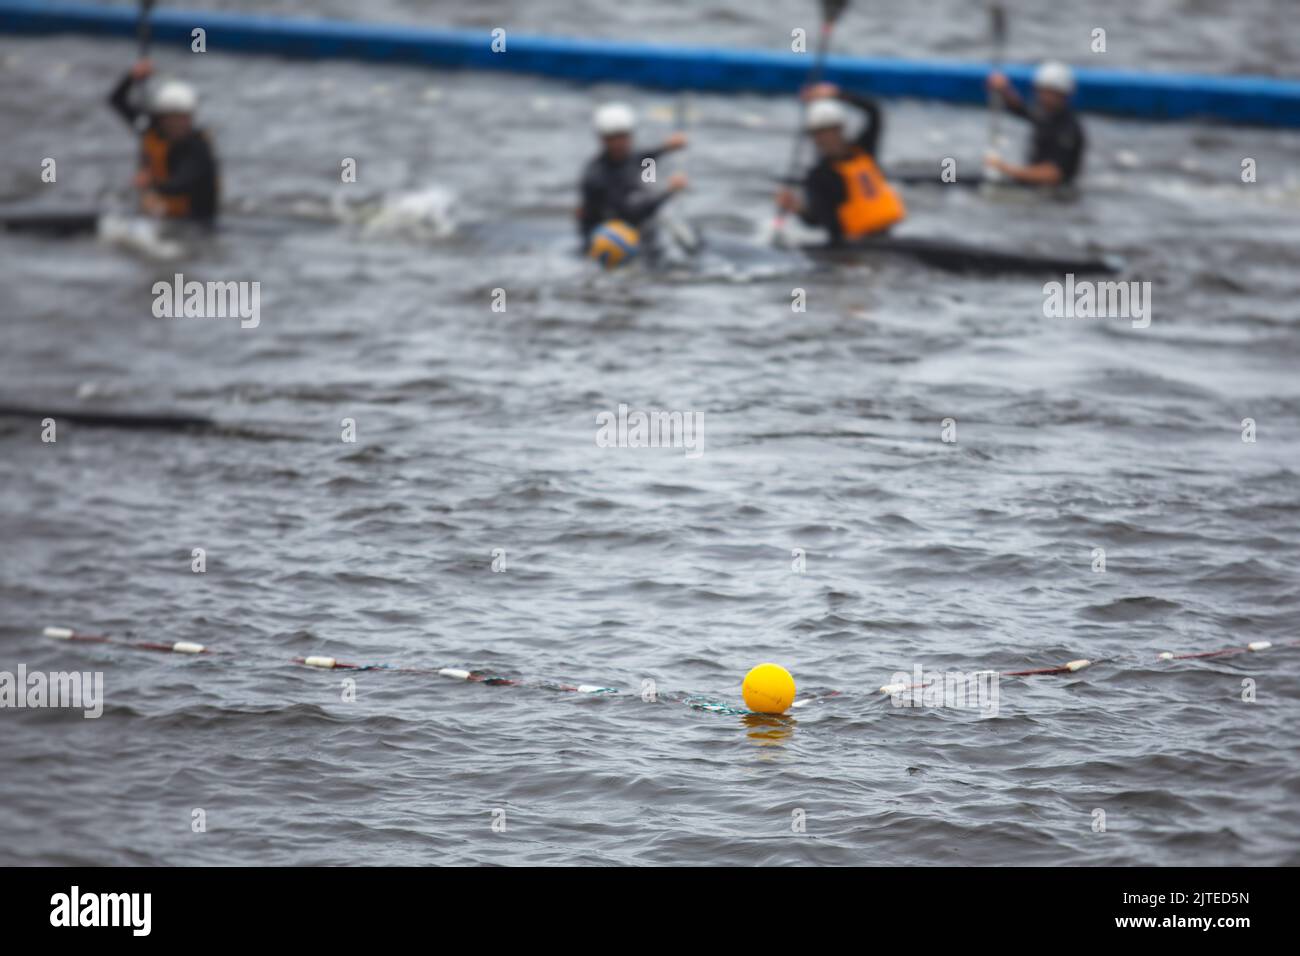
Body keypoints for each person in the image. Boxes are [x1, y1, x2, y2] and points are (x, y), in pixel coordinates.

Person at [775, 83, 906, 244]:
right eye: (819, 133)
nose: (825, 138)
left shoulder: (864, 150)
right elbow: (816, 220)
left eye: (830, 130)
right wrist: (797, 208)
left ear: (840, 129)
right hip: (850, 247)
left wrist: (837, 95)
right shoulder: (819, 176)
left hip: (884, 237)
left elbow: (874, 112)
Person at [108, 60, 219, 224]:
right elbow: (116, 101)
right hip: (162, 215)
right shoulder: (148, 128)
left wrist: (152, 183)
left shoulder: (198, 148)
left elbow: (182, 183)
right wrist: (133, 77)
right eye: (172, 118)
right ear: (161, 118)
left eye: (184, 118)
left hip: (196, 222)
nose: (179, 124)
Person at [577, 102, 688, 260]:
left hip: (638, 233)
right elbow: (632, 211)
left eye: (622, 136)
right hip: (612, 245)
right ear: (602, 139)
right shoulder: (596, 175)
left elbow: (645, 160)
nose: (618, 143)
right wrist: (670, 191)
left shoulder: (632, 160)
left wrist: (668, 147)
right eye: (612, 138)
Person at [984, 61, 1085, 187]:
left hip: (1054, 193)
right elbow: (1020, 109)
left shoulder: (1068, 129)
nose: (1043, 97)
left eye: (1049, 92)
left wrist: (1006, 169)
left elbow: (1053, 174)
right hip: (1030, 183)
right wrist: (1004, 90)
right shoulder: (1045, 114)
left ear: (1063, 95)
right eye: (1041, 91)